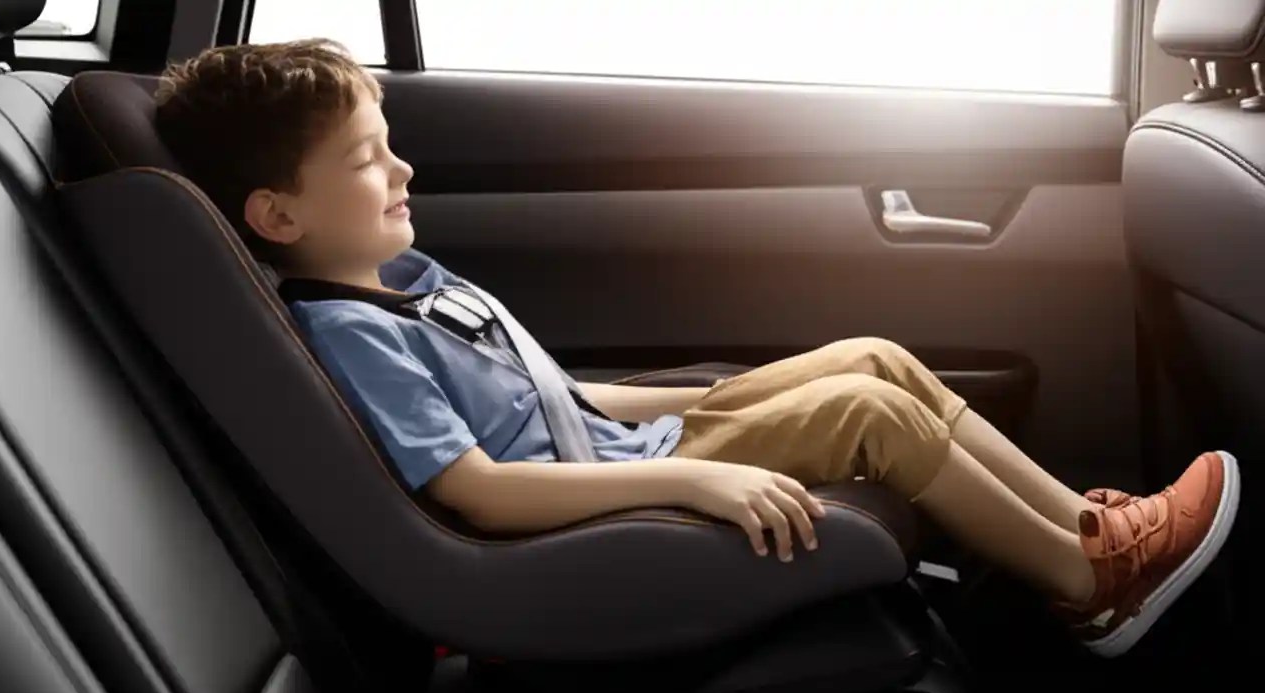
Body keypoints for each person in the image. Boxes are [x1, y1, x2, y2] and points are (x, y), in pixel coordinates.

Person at [154, 38, 1240, 659]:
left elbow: (552, 392)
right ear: (278, 217)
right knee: (871, 417)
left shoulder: (403, 285)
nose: (400, 175)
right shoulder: (350, 335)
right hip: (601, 501)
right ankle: (1093, 583)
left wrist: (704, 397)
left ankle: (1082, 525)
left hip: (615, 446)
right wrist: (702, 473)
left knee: (872, 356)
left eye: (391, 149)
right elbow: (481, 492)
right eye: (363, 162)